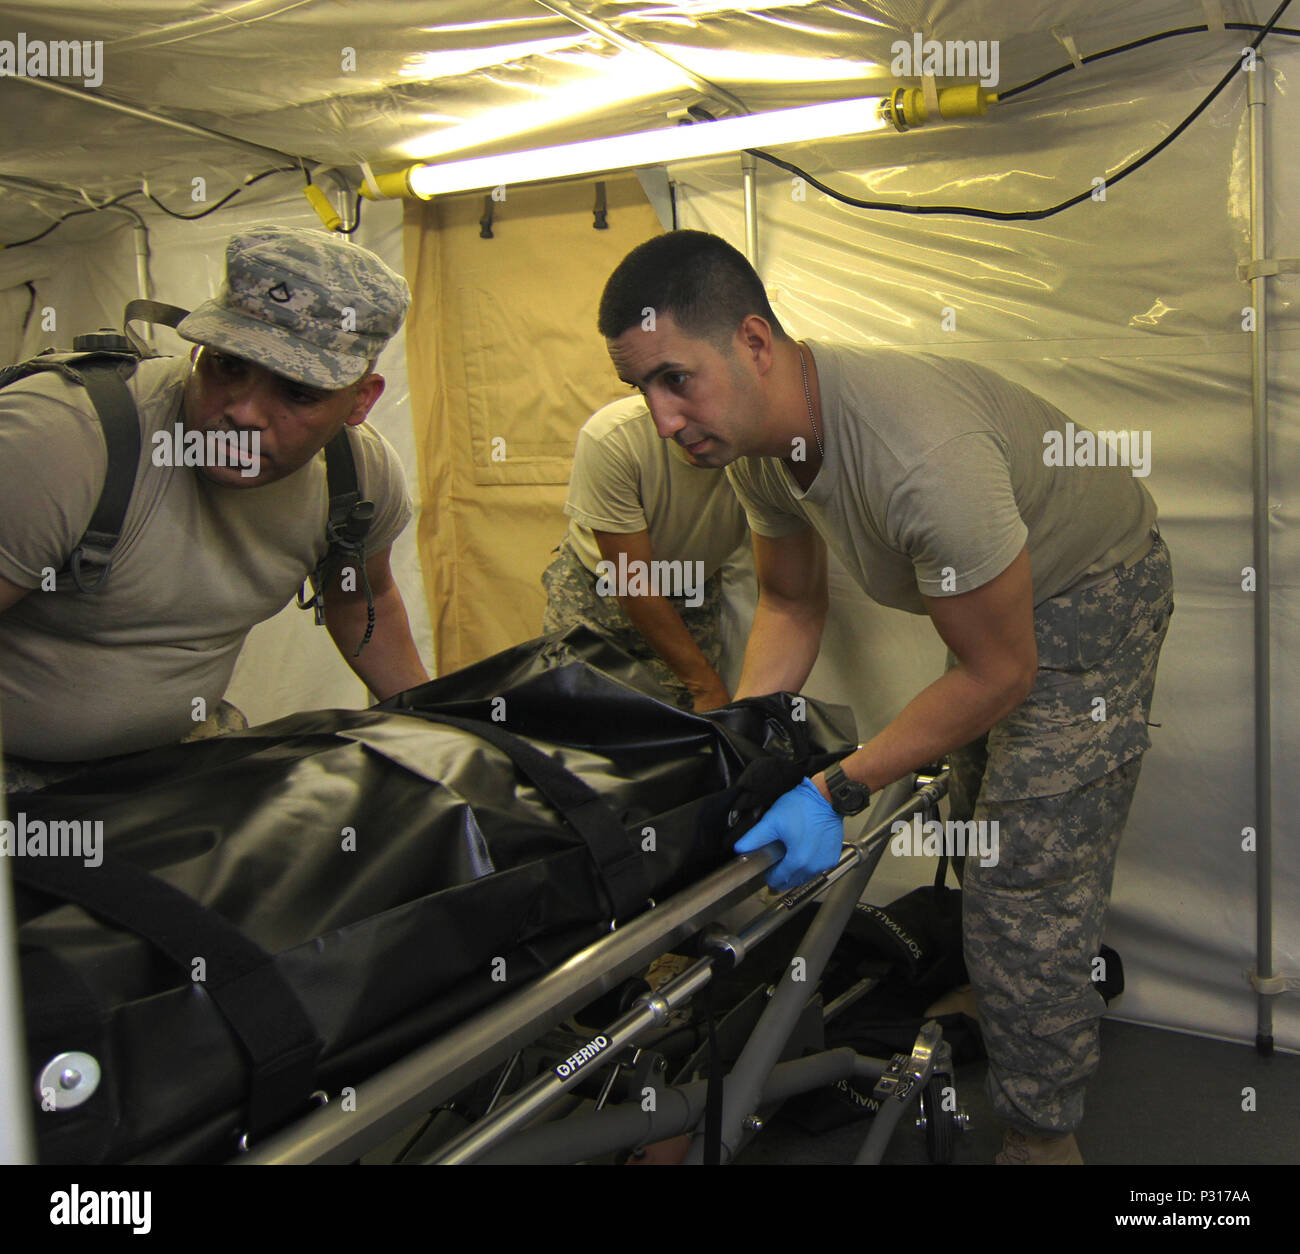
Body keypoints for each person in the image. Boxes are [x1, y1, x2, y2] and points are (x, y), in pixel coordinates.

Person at [597, 229, 1173, 1165]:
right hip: (1011, 607)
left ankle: (1041, 1135)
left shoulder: (918, 454)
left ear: (753, 341)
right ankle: (1000, 989)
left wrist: (834, 789)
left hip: (1093, 588)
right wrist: (741, 752)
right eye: (641, 390)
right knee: (970, 804)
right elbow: (788, 600)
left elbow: (1001, 673)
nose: (662, 419)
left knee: (1024, 868)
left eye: (675, 378)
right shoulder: (752, 444)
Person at [0, 225, 429, 791]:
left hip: (176, 754)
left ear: (361, 400)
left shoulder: (358, 479)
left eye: (298, 392)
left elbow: (359, 597)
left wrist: (434, 730)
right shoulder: (59, 442)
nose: (246, 412)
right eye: (228, 366)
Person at [542, 393, 749, 711]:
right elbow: (632, 582)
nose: (676, 426)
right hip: (594, 588)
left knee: (678, 726)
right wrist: (704, 687)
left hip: (688, 588)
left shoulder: (766, 448)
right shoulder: (614, 436)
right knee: (576, 714)